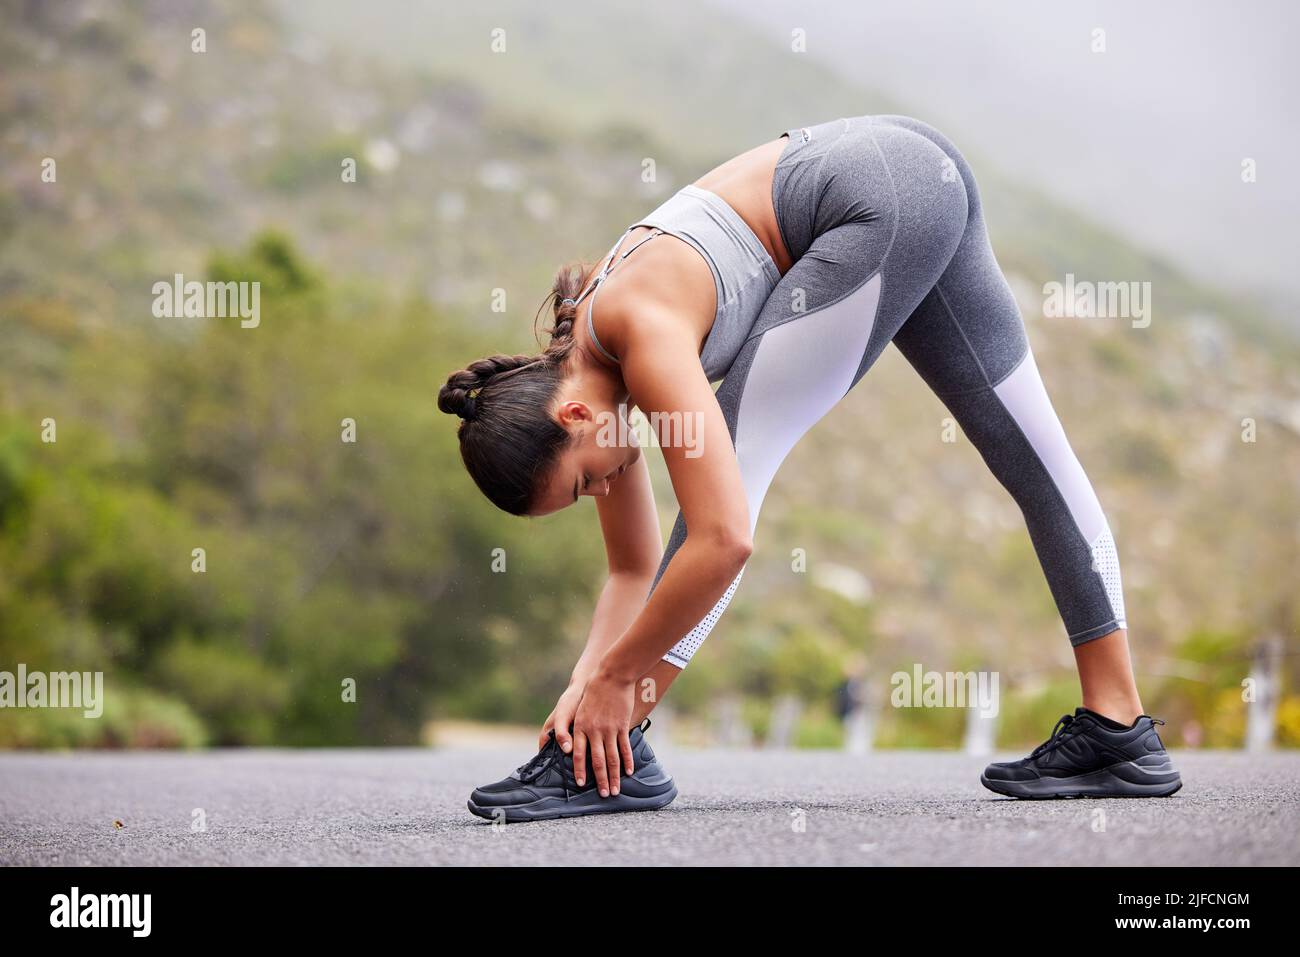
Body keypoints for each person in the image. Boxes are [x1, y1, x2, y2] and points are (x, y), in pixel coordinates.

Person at [440, 114, 1182, 822]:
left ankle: (612, 757)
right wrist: (584, 683)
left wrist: (616, 686)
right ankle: (1118, 727)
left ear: (570, 418)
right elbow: (632, 569)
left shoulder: (642, 328)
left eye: (583, 482)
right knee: (1032, 456)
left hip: (879, 199)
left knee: (735, 457)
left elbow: (724, 537)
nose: (603, 488)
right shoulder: (593, 376)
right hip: (917, 169)